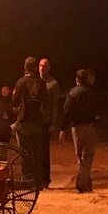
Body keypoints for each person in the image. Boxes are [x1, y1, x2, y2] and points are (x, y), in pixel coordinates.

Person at [59, 68, 108, 193]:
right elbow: (102, 103)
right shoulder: (91, 92)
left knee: (80, 157)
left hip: (76, 128)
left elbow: (66, 112)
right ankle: (82, 184)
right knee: (88, 156)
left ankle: (85, 183)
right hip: (89, 127)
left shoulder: (72, 93)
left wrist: (63, 129)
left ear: (77, 80)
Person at [11, 56, 48, 186]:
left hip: (24, 122)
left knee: (25, 154)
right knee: (38, 153)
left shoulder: (21, 82)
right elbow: (46, 102)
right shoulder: (42, 83)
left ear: (25, 67)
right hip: (37, 122)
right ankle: (40, 181)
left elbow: (14, 102)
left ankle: (27, 181)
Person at [38, 56, 61, 187]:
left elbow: (54, 105)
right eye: (41, 66)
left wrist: (53, 123)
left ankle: (46, 179)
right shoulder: (34, 81)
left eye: (45, 66)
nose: (42, 68)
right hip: (35, 119)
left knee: (44, 151)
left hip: (45, 120)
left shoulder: (52, 83)